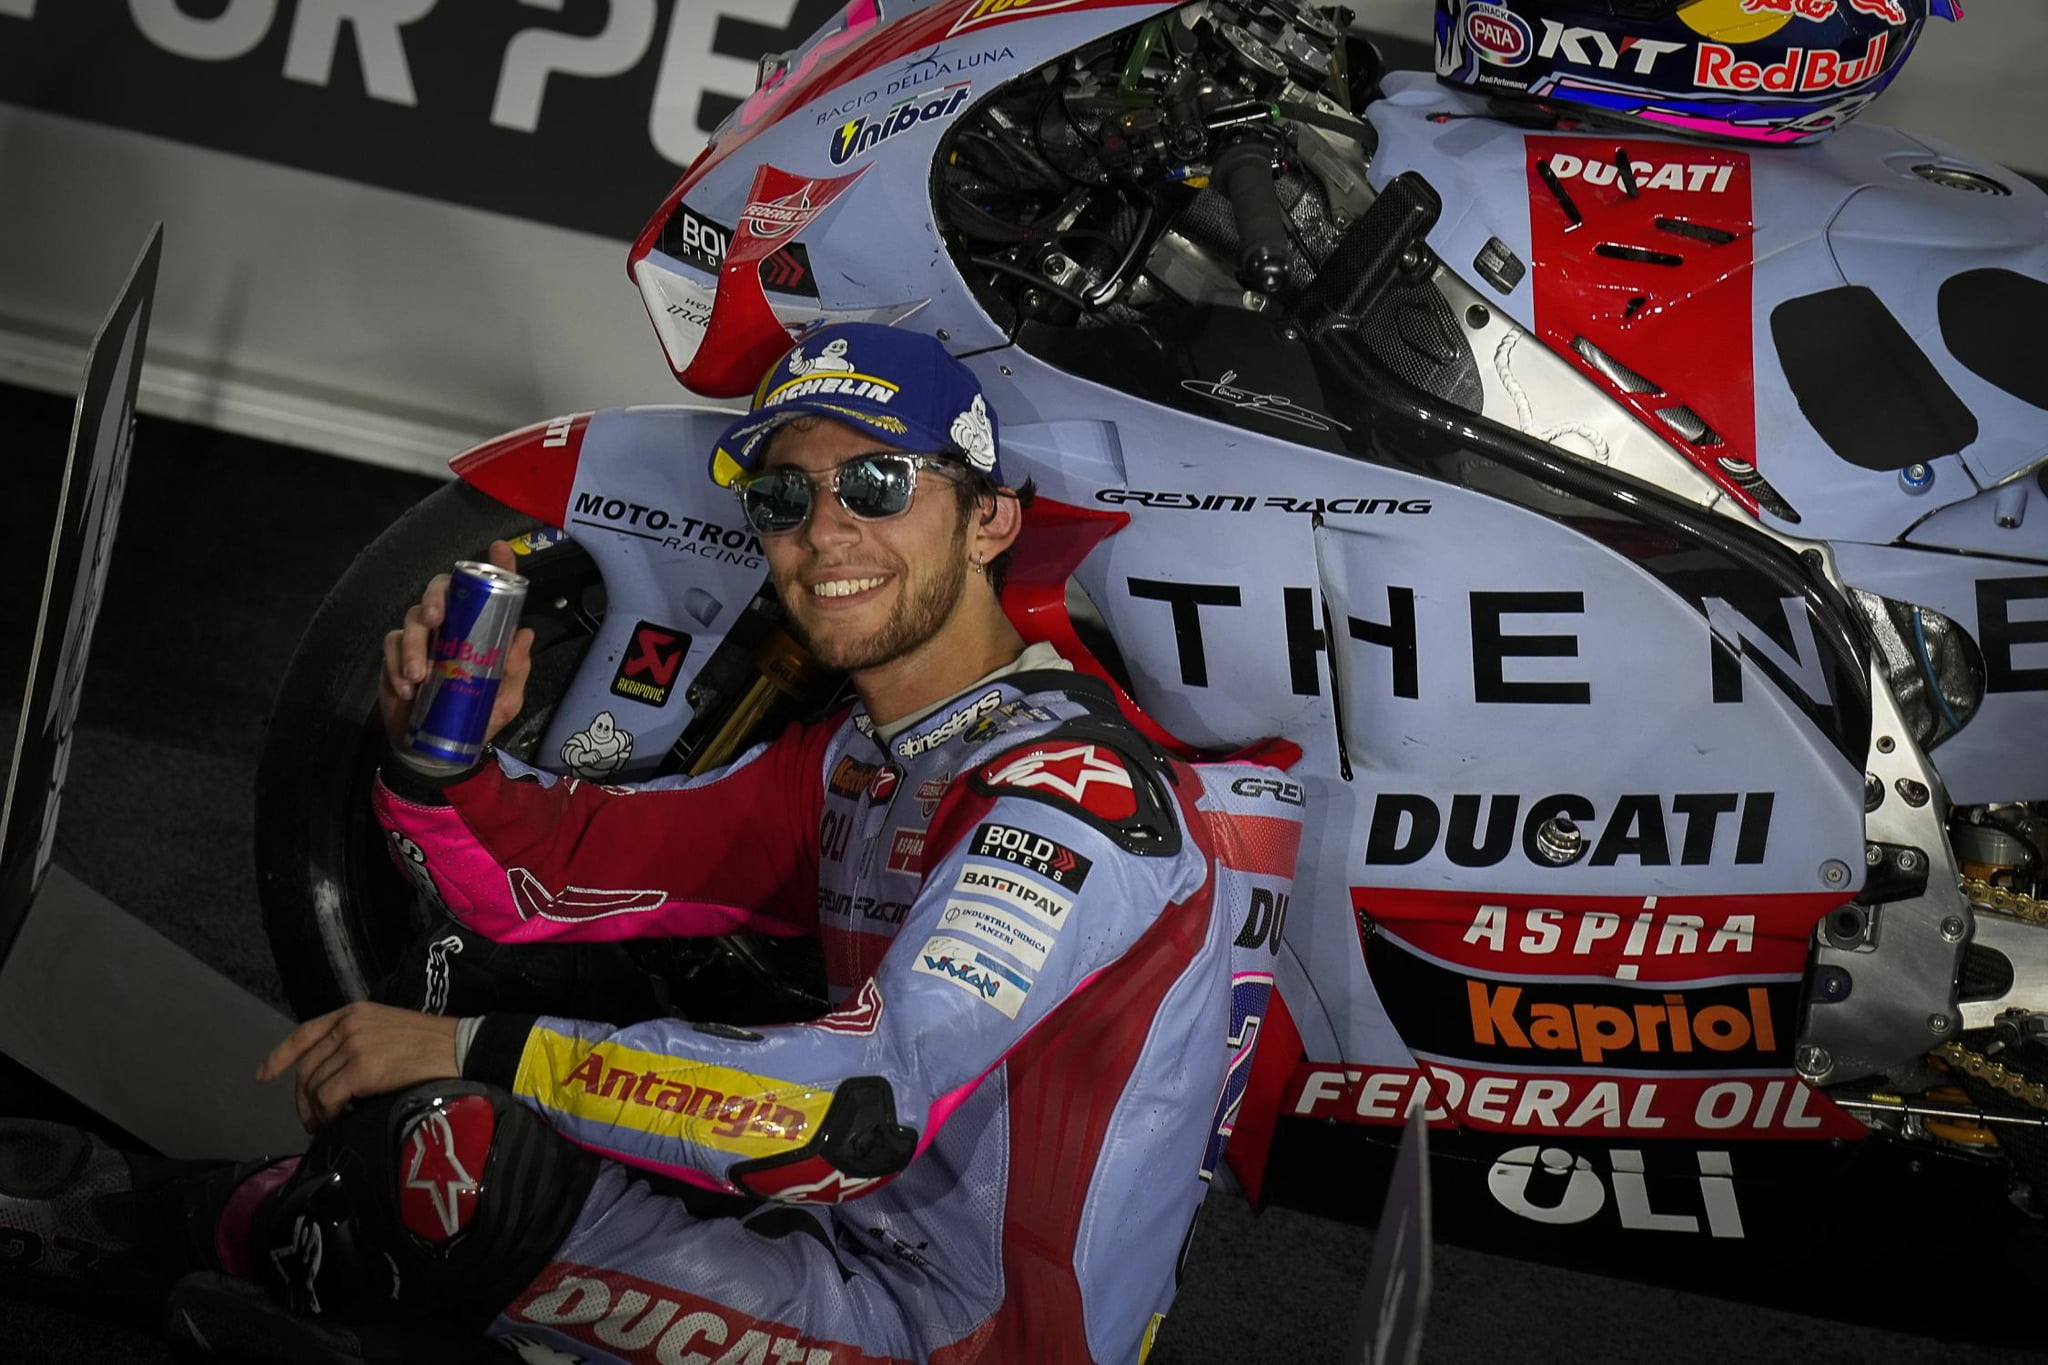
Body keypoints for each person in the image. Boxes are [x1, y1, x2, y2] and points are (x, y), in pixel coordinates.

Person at [0, 323, 1303, 1365]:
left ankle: (186, 1245)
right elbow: (556, 877)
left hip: (955, 1332)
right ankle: (241, 1234)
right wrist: (442, 762)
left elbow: (852, 1109)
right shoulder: (870, 754)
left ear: (989, 521)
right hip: (834, 1235)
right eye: (786, 494)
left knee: (465, 1150)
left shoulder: (1068, 803)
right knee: (483, 1019)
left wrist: (476, 1052)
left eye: (877, 484)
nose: (825, 530)